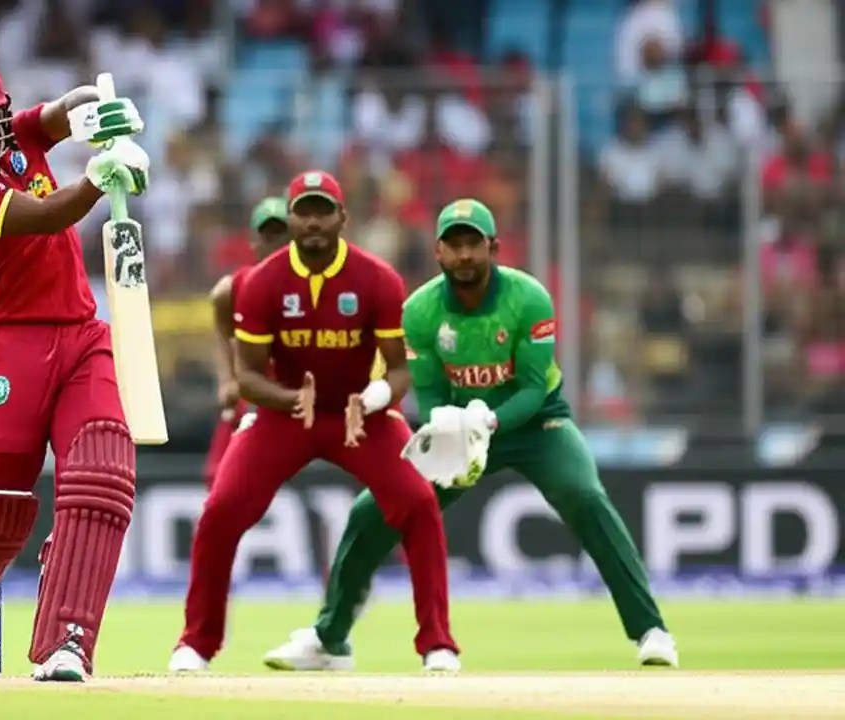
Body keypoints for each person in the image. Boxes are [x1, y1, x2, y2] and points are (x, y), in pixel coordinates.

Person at [263, 198, 679, 672]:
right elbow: (431, 390)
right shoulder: (419, 311)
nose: (464, 255)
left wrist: (493, 421)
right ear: (438, 251)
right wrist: (453, 424)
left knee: (584, 496)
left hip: (538, 423)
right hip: (459, 432)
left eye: (473, 245)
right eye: (454, 245)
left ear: (493, 247)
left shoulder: (528, 298)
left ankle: (651, 630)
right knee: (371, 511)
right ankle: (329, 640)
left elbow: (529, 387)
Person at [0, 52, 150, 683]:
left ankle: (67, 642)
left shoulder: (11, 135)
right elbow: (46, 217)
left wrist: (94, 110)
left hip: (81, 334)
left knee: (102, 477)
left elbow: (59, 114)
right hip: (13, 346)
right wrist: (103, 176)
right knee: (3, 504)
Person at [170, 170, 460, 673]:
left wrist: (370, 399)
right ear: (291, 218)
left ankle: (437, 643)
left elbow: (398, 370)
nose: (312, 222)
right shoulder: (262, 283)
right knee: (221, 509)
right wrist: (287, 398)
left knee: (417, 500)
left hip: (359, 415)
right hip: (286, 415)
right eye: (302, 211)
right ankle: (197, 642)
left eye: (322, 210)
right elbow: (248, 376)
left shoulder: (376, 280)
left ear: (342, 218)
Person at [202, 197, 290, 488]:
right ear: (255, 243)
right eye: (269, 235)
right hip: (257, 399)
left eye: (284, 235)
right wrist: (226, 379)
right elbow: (221, 322)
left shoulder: (316, 285)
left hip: (302, 399)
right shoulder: (238, 287)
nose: (277, 243)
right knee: (219, 477)